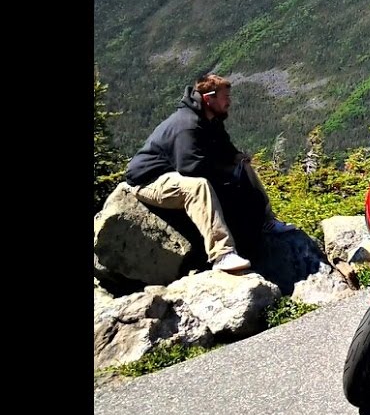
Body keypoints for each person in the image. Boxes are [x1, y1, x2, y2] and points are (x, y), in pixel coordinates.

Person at [123, 73, 297, 273]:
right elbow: (190, 168)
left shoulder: (210, 119)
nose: (229, 102)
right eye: (226, 98)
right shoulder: (187, 124)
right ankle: (222, 253)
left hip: (171, 172)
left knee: (244, 164)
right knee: (198, 187)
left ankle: (267, 221)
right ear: (209, 98)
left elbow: (226, 149)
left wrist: (237, 159)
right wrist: (228, 180)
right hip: (147, 181)